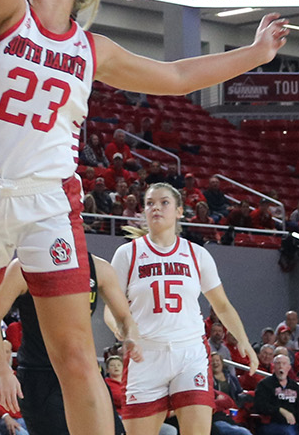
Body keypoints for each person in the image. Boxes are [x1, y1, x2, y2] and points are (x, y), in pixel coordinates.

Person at [0, 0, 289, 435]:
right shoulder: (6, 14)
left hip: (49, 202)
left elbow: (177, 76)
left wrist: (255, 53)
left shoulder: (90, 48)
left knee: (77, 355)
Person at [110, 183, 256, 435]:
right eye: (150, 203)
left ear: (179, 211)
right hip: (145, 355)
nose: (156, 207)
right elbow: (111, 310)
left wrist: (243, 340)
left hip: (190, 354)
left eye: (164, 202)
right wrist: (124, 332)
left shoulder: (196, 254)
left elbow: (221, 304)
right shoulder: (127, 254)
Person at [0, 253, 138, 435]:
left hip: (86, 375)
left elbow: (125, 318)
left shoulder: (98, 267)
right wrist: (3, 372)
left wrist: (130, 334)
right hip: (40, 376)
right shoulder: (23, 266)